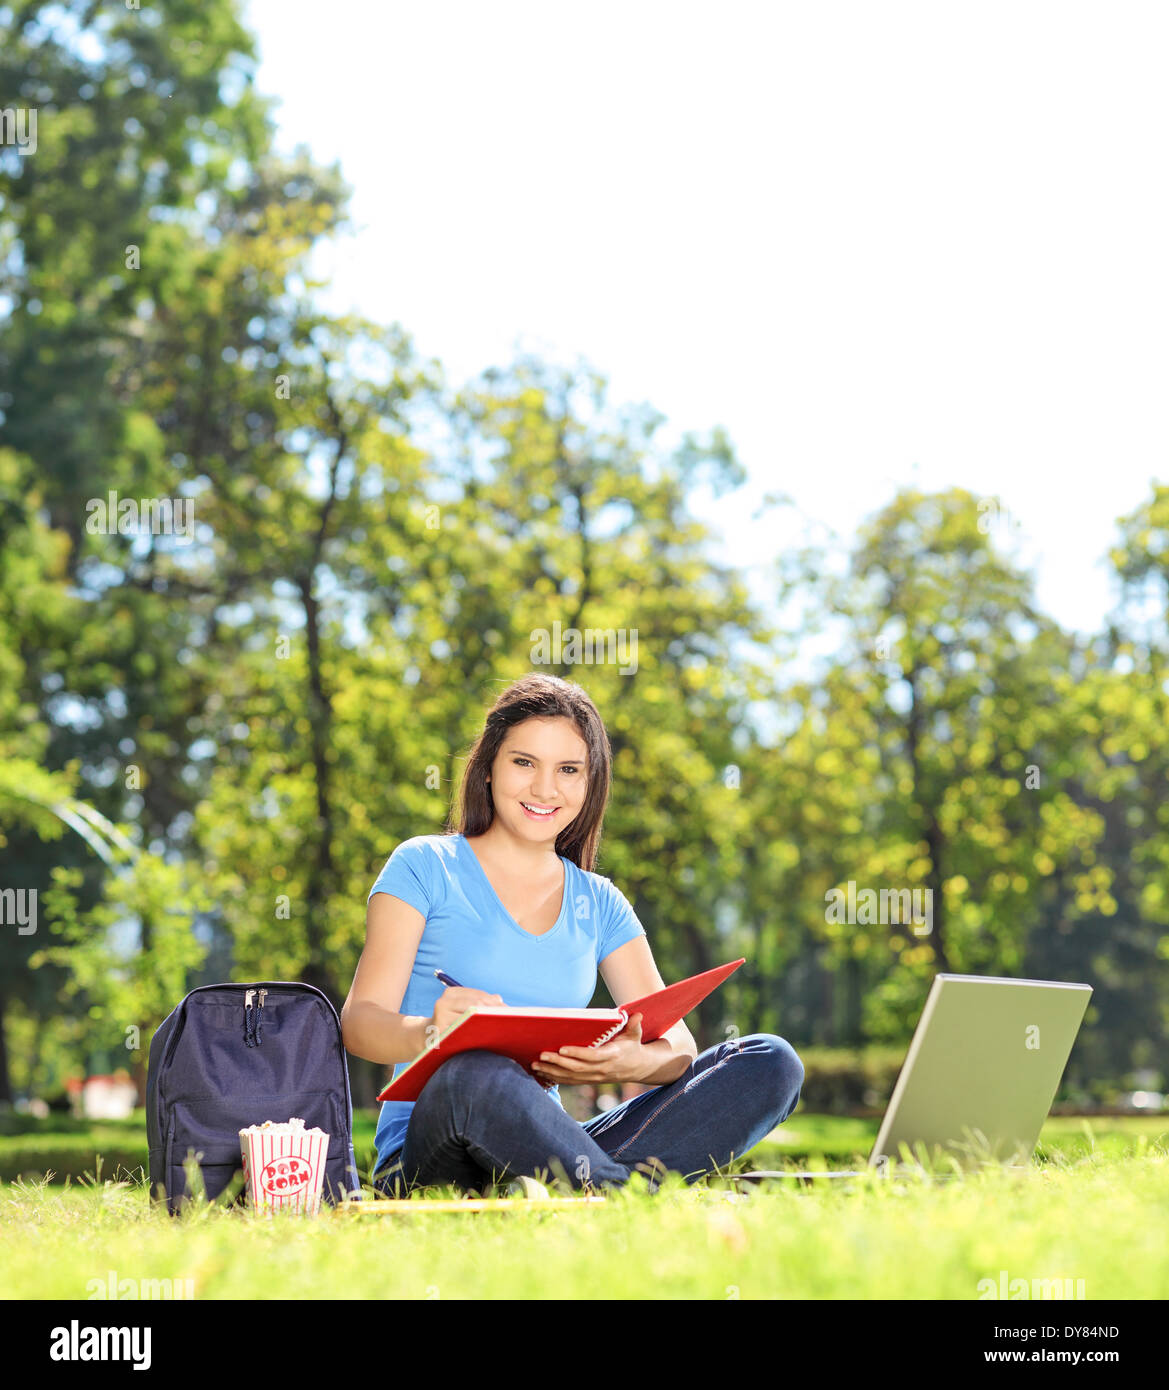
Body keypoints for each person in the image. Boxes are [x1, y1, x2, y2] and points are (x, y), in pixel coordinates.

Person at [340, 672, 804, 1196]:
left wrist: (635, 1060)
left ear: (589, 783)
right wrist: (429, 1033)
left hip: (551, 1150)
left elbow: (677, 1044)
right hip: (434, 1147)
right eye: (523, 762)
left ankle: (590, 1192)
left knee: (769, 1062)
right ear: (489, 769)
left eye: (568, 769)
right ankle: (618, 1197)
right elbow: (360, 1024)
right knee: (473, 1072)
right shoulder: (425, 865)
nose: (545, 788)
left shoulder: (600, 902)